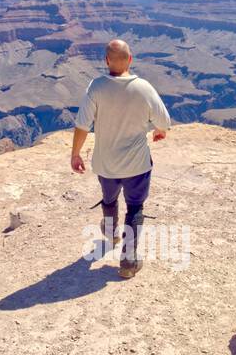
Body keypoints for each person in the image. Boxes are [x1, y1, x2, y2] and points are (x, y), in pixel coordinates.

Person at [71, 39, 172, 278]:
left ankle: (111, 232)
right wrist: (159, 131)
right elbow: (164, 122)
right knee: (135, 207)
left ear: (106, 61)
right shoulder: (144, 87)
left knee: (109, 198)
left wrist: (75, 153)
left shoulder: (95, 87)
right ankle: (128, 262)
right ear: (130, 59)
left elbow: (82, 125)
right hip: (137, 165)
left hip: (105, 163)